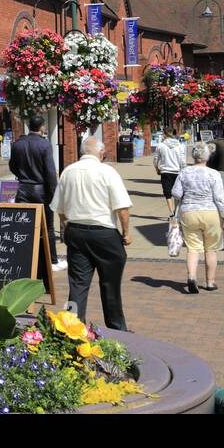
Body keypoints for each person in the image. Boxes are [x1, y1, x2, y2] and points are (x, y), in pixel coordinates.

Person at [51, 137, 133, 330]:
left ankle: (73, 328)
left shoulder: (68, 172)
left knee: (78, 284)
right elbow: (122, 207)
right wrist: (126, 232)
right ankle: (116, 328)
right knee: (110, 284)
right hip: (103, 232)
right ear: (101, 152)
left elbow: (59, 208)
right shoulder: (107, 172)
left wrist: (67, 226)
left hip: (77, 231)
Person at [172, 144, 224, 294]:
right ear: (207, 157)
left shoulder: (184, 172)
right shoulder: (214, 174)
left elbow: (176, 193)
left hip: (189, 212)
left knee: (193, 248)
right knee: (211, 249)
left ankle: (192, 277)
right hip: (210, 212)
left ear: (194, 156)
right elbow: (219, 198)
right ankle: (210, 282)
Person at [10, 115, 66, 271]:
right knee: (47, 227)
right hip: (41, 190)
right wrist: (55, 193)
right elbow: (50, 172)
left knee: (23, 225)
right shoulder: (44, 144)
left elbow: (12, 166)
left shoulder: (18, 144)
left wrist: (23, 175)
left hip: (23, 189)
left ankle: (23, 258)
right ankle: (52, 260)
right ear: (42, 127)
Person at [152, 129, 186, 217]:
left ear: (164, 135)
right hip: (177, 172)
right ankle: (176, 211)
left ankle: (171, 213)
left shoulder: (160, 146)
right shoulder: (180, 145)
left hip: (165, 171)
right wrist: (183, 170)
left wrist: (157, 168)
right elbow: (182, 161)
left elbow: (155, 159)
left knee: (168, 193)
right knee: (177, 193)